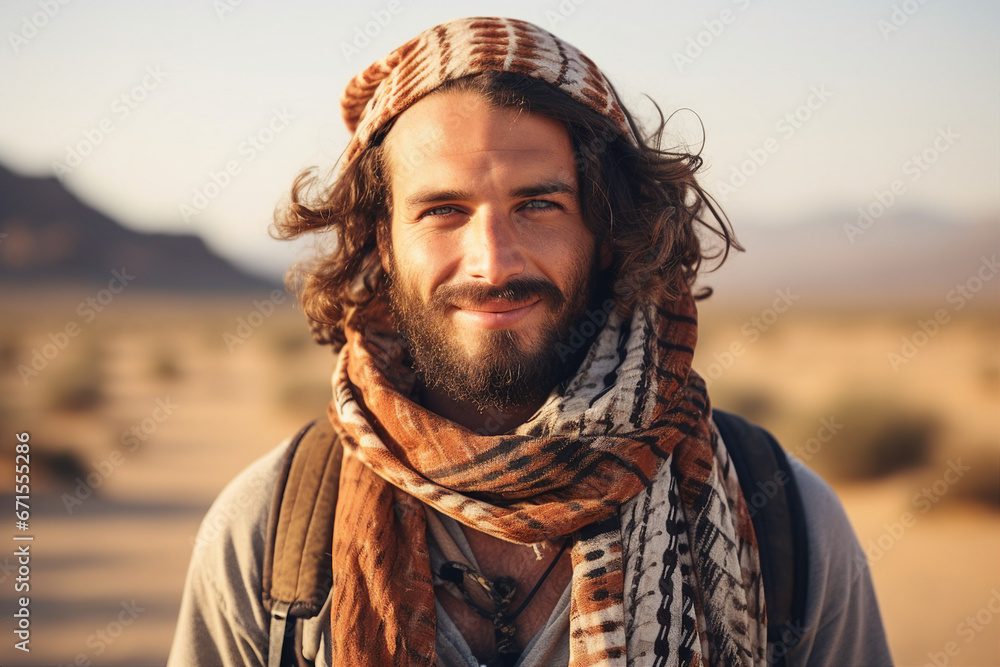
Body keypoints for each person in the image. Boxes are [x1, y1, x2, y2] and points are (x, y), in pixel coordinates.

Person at [168, 17, 892, 667]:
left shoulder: (782, 520)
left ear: (609, 229)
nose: (493, 261)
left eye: (538, 204)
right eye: (443, 210)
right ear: (382, 243)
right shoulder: (270, 533)